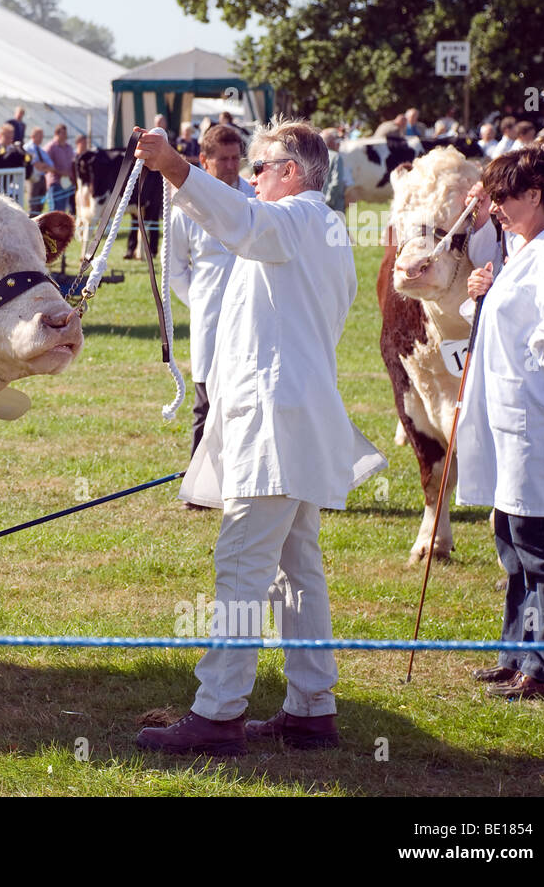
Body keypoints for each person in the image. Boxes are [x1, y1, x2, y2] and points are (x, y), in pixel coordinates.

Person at [133, 117, 375, 755]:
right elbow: (245, 228)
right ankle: (311, 708)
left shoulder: (296, 220)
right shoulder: (322, 226)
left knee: (242, 567)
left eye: (261, 168)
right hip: (291, 422)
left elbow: (243, 222)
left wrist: (175, 168)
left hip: (275, 426)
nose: (251, 179)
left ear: (292, 172)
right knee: (298, 572)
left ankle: (217, 713)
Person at [456, 147, 544, 699]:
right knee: (511, 536)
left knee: (540, 540)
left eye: (501, 197)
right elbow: (504, 315)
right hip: (508, 416)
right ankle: (517, 651)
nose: (495, 208)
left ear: (535, 195)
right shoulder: (524, 247)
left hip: (537, 416)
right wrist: (479, 296)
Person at [166, 123, 254, 468]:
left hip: (253, 313)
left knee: (249, 397)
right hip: (211, 313)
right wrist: (201, 300)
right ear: (204, 160)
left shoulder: (256, 200)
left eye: (236, 158)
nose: (232, 165)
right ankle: (200, 481)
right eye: (224, 159)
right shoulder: (186, 208)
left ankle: (246, 473)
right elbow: (174, 269)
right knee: (206, 402)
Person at [320, 127, 353, 214]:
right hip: (333, 205)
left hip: (317, 204)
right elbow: (337, 182)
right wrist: (328, 202)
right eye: (337, 141)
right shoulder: (336, 157)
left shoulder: (315, 157)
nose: (339, 144)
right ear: (332, 142)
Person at [44, 124, 76, 215]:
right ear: (56, 133)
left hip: (68, 183)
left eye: (66, 133)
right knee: (55, 212)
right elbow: (45, 165)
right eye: (63, 133)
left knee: (64, 211)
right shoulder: (50, 147)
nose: (66, 136)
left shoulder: (69, 148)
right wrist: (60, 172)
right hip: (55, 183)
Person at [23, 126, 54, 216]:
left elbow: (51, 165)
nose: (41, 138)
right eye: (39, 135)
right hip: (33, 179)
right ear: (33, 135)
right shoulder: (27, 148)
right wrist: (39, 165)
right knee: (32, 205)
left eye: (42, 136)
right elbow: (30, 163)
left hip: (42, 178)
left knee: (40, 205)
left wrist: (41, 165)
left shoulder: (41, 150)